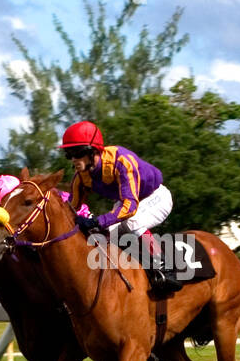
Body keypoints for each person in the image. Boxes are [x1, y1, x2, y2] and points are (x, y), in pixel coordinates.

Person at [58, 120, 178, 292]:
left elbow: (130, 208)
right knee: (103, 234)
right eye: (69, 154)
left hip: (155, 196)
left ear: (93, 151)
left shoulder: (121, 161)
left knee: (132, 223)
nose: (73, 159)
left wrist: (97, 221)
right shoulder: (81, 177)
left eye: (77, 153)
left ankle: (165, 268)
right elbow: (72, 208)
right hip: (127, 201)